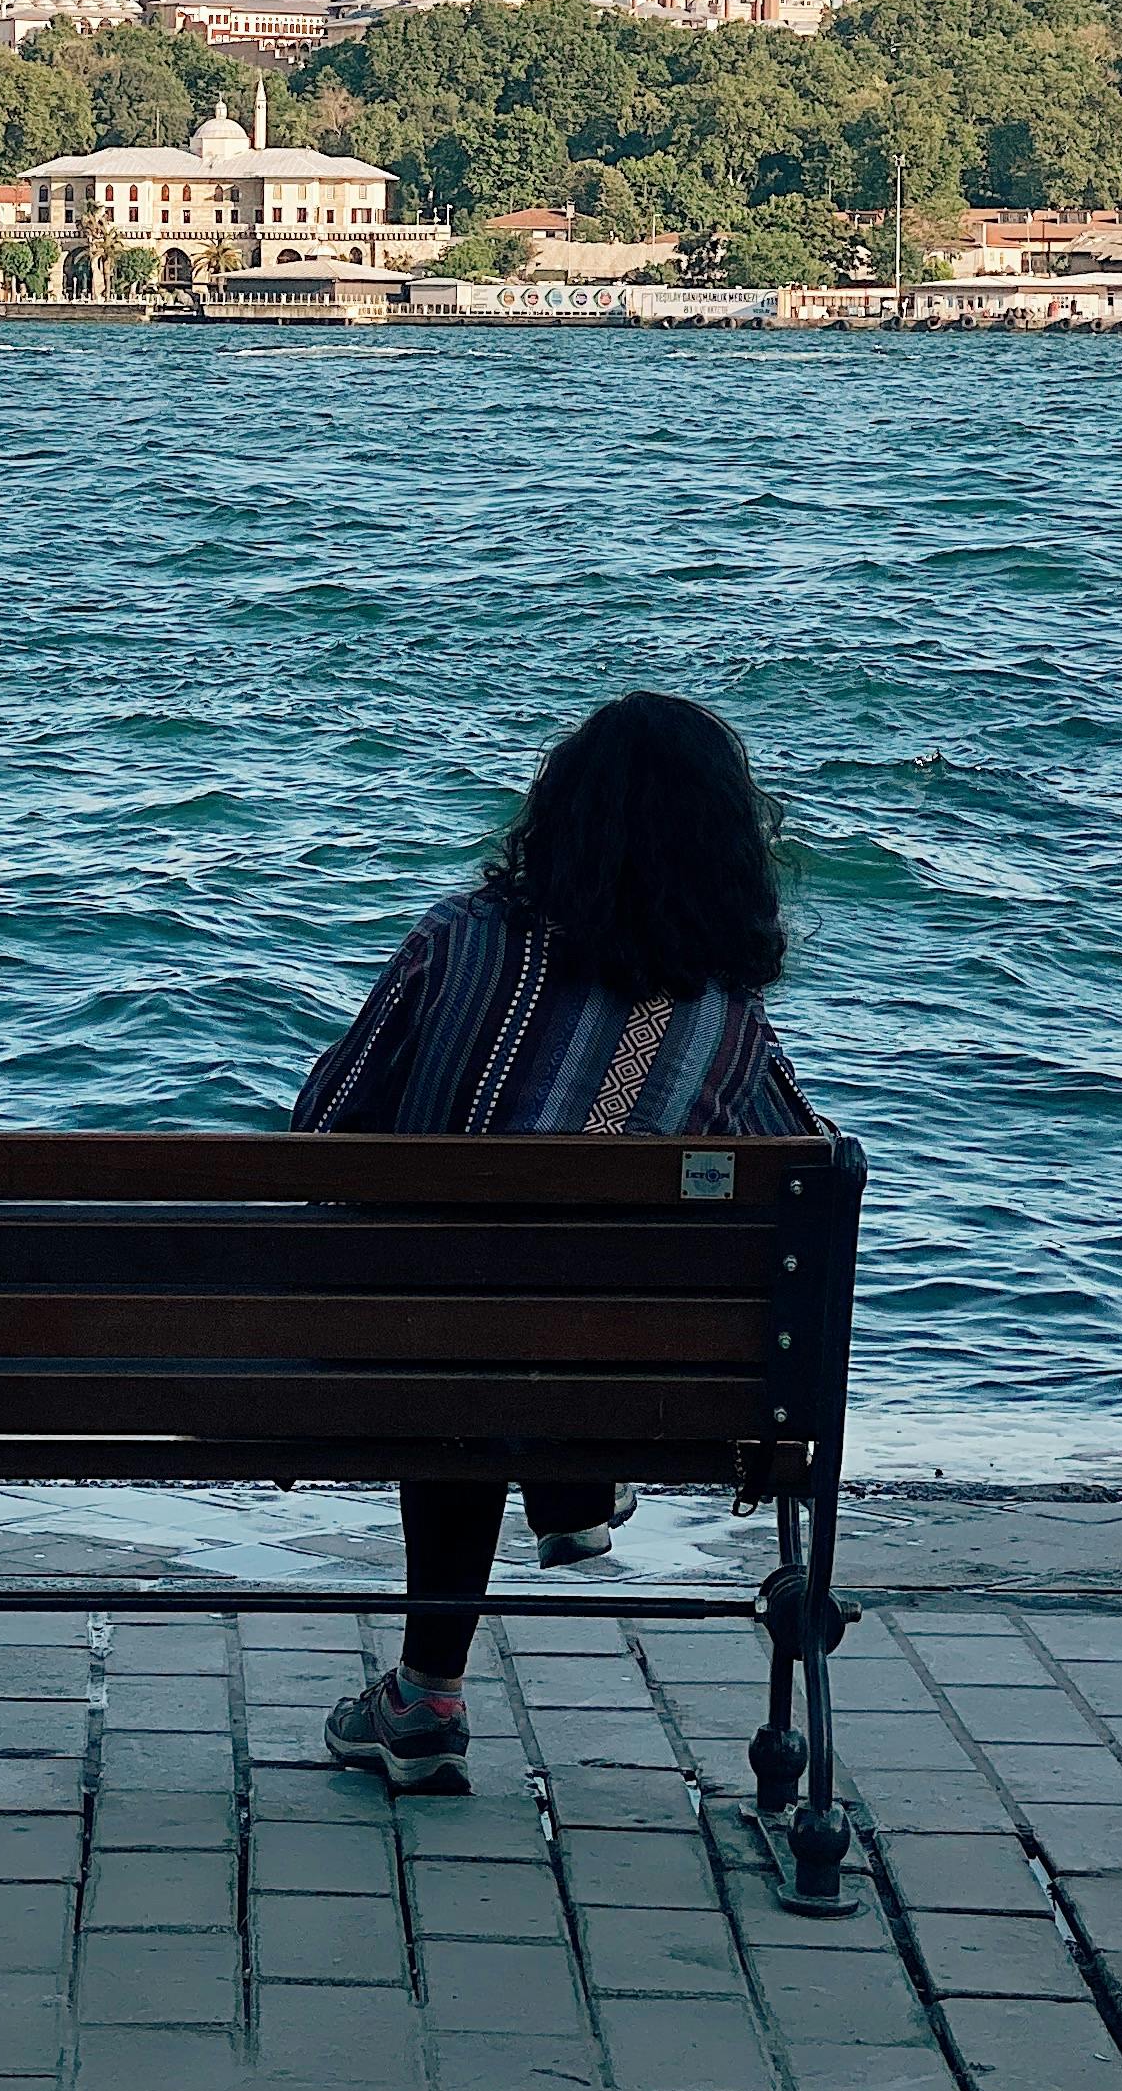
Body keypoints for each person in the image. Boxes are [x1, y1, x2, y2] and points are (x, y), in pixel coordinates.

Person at [293, 689, 812, 1796]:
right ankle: (569, 1478)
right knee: (544, 1309)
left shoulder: (459, 941)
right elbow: (795, 1199)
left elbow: (323, 1133)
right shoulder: (724, 1022)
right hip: (609, 1383)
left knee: (462, 1315)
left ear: (558, 814)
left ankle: (430, 1691)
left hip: (412, 1360)